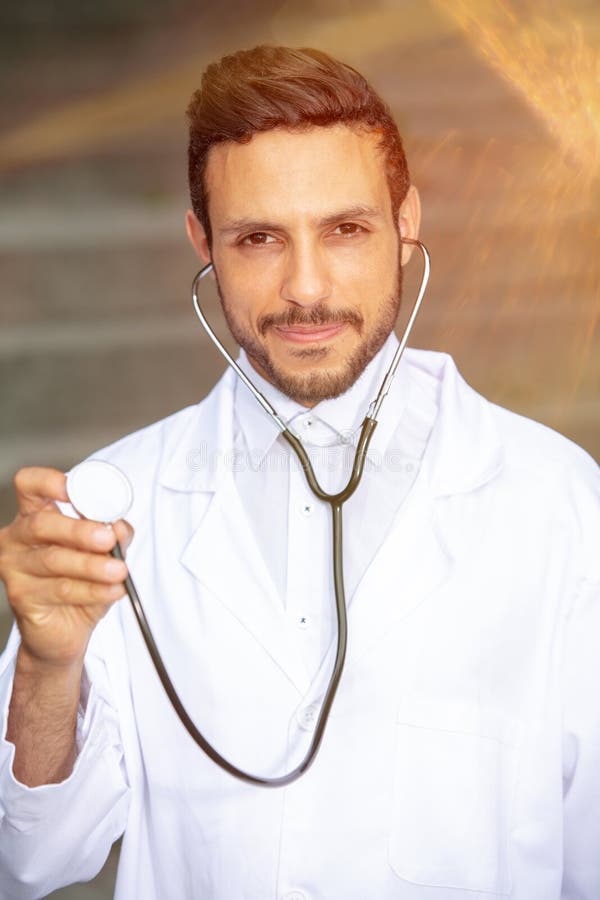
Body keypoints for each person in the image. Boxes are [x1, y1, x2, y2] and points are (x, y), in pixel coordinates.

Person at [0, 45, 598, 900]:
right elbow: (32, 859)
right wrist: (47, 671)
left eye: (346, 229)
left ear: (406, 224)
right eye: (259, 239)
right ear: (202, 242)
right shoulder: (116, 506)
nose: (306, 288)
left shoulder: (560, 505)